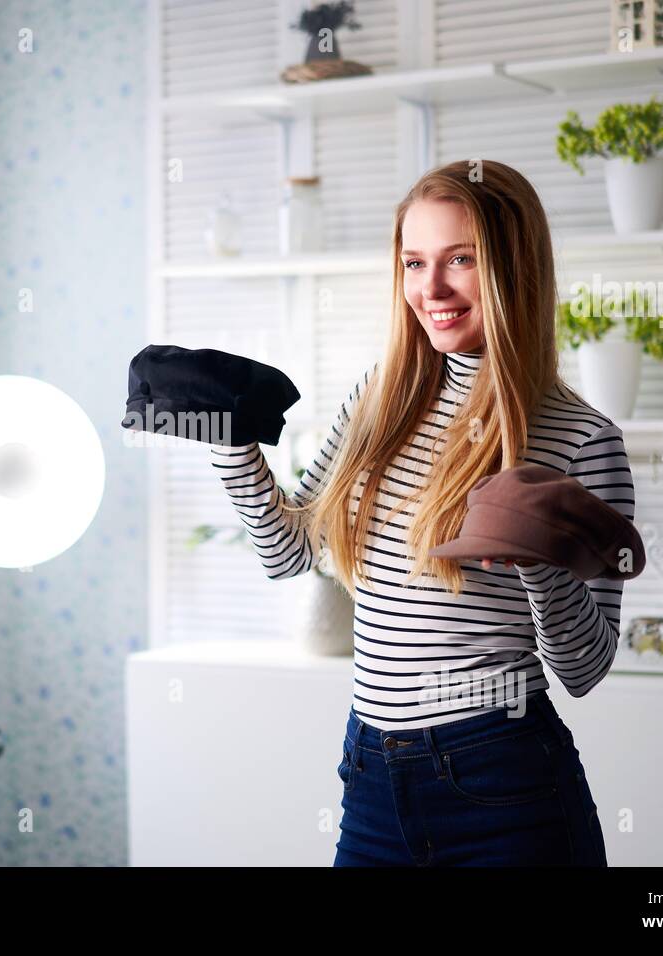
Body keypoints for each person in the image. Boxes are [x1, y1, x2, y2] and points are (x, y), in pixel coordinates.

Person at [209, 159, 631, 866]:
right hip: (372, 774)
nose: (430, 289)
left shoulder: (580, 437)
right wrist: (229, 444)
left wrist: (537, 562)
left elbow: (585, 668)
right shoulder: (378, 399)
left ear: (513, 268)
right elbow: (290, 552)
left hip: (503, 780)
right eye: (413, 262)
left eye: (460, 260)